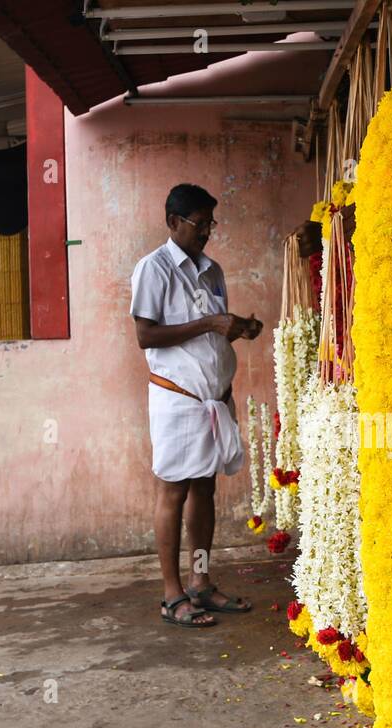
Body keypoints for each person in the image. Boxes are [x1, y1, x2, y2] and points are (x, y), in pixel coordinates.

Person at [130, 183, 262, 628]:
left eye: (210, 223)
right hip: (176, 398)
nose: (207, 232)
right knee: (175, 490)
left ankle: (201, 580)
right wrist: (210, 322)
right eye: (199, 223)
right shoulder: (155, 268)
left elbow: (209, 333)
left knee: (205, 488)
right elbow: (146, 335)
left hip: (212, 398)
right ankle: (172, 594)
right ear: (173, 222)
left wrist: (236, 327)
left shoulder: (212, 270)